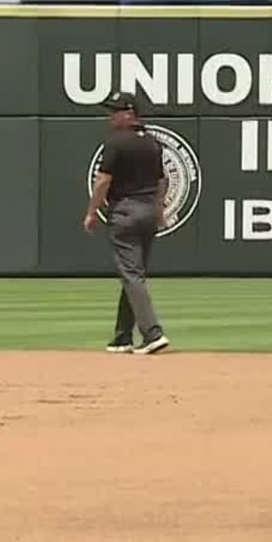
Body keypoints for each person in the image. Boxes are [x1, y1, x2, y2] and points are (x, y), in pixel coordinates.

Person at [83, 91, 171, 355]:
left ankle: (152, 333)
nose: (110, 116)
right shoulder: (153, 143)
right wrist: (159, 211)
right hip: (148, 211)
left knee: (132, 275)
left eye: (115, 111)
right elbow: (162, 181)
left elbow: (103, 180)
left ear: (130, 114)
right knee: (132, 274)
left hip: (126, 212)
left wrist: (91, 212)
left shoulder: (116, 142)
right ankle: (122, 337)